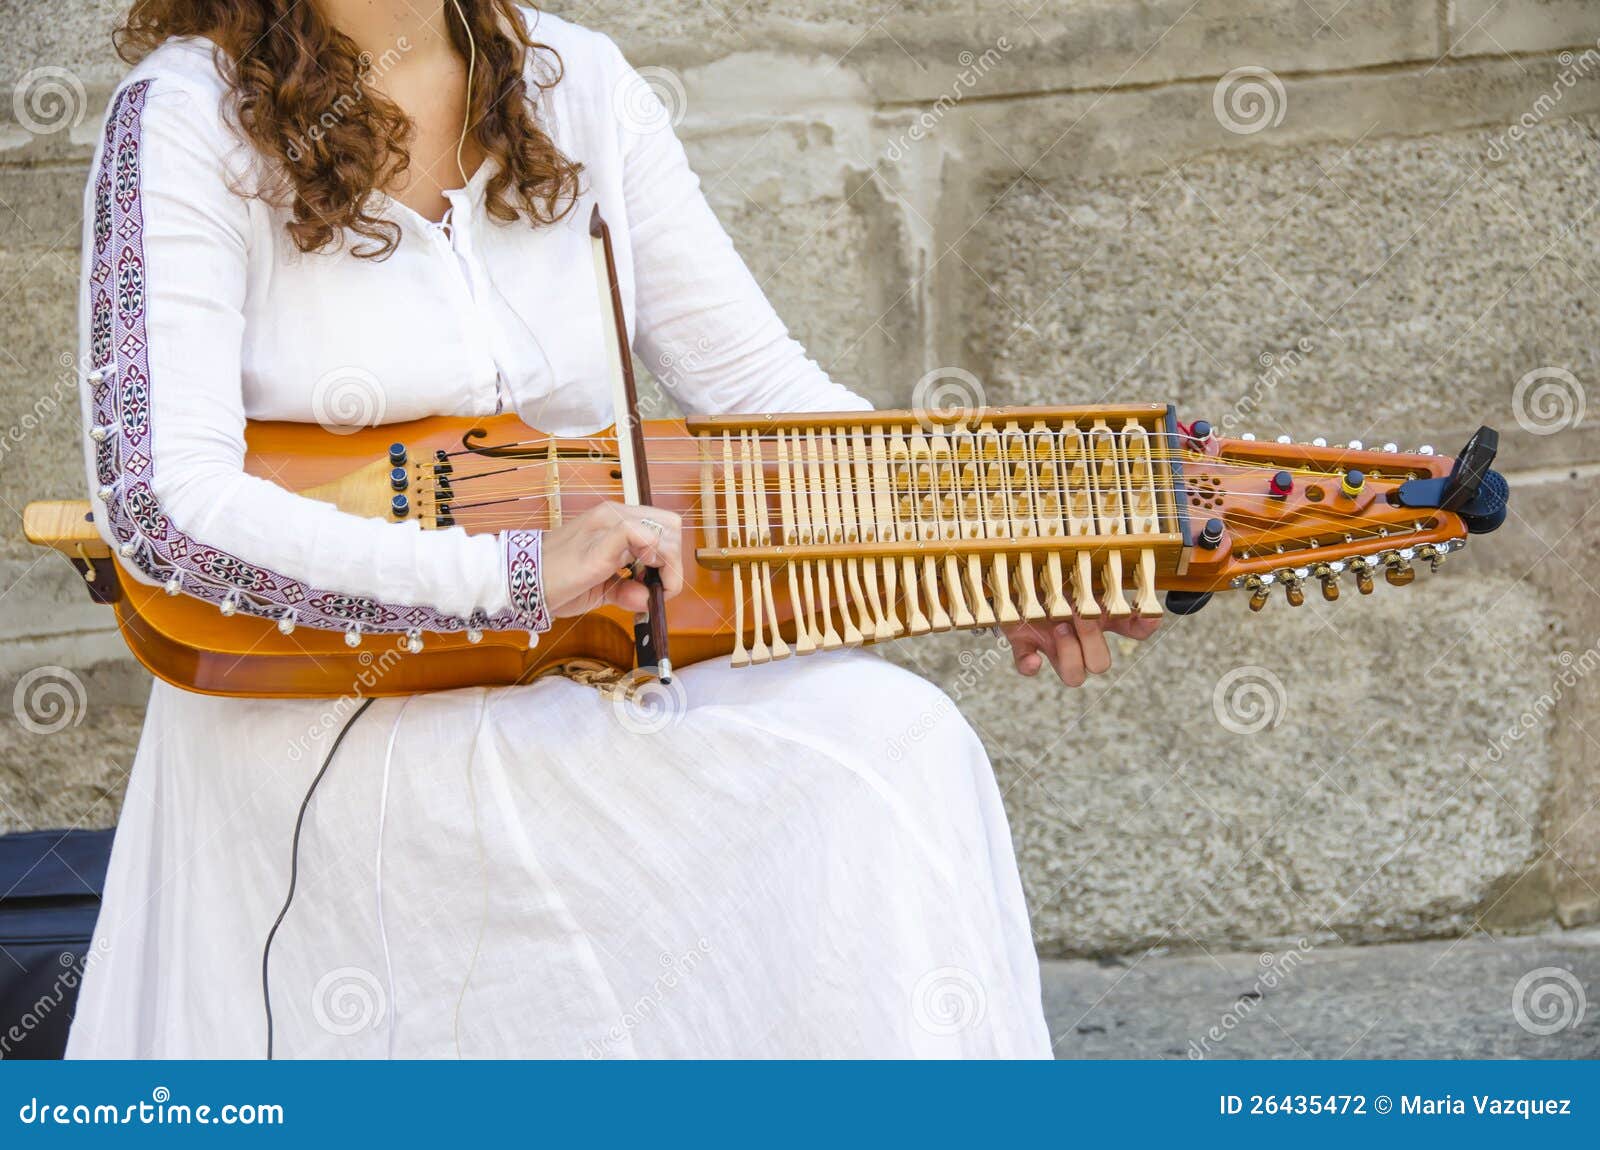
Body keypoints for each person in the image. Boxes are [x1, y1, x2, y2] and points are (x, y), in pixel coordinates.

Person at [68, 0, 1158, 1058]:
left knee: (897, 735)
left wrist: (1008, 540)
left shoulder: (574, 80)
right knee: (847, 773)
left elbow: (761, 389)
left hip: (577, 671)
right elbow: (166, 511)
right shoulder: (183, 118)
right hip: (333, 714)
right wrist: (516, 572)